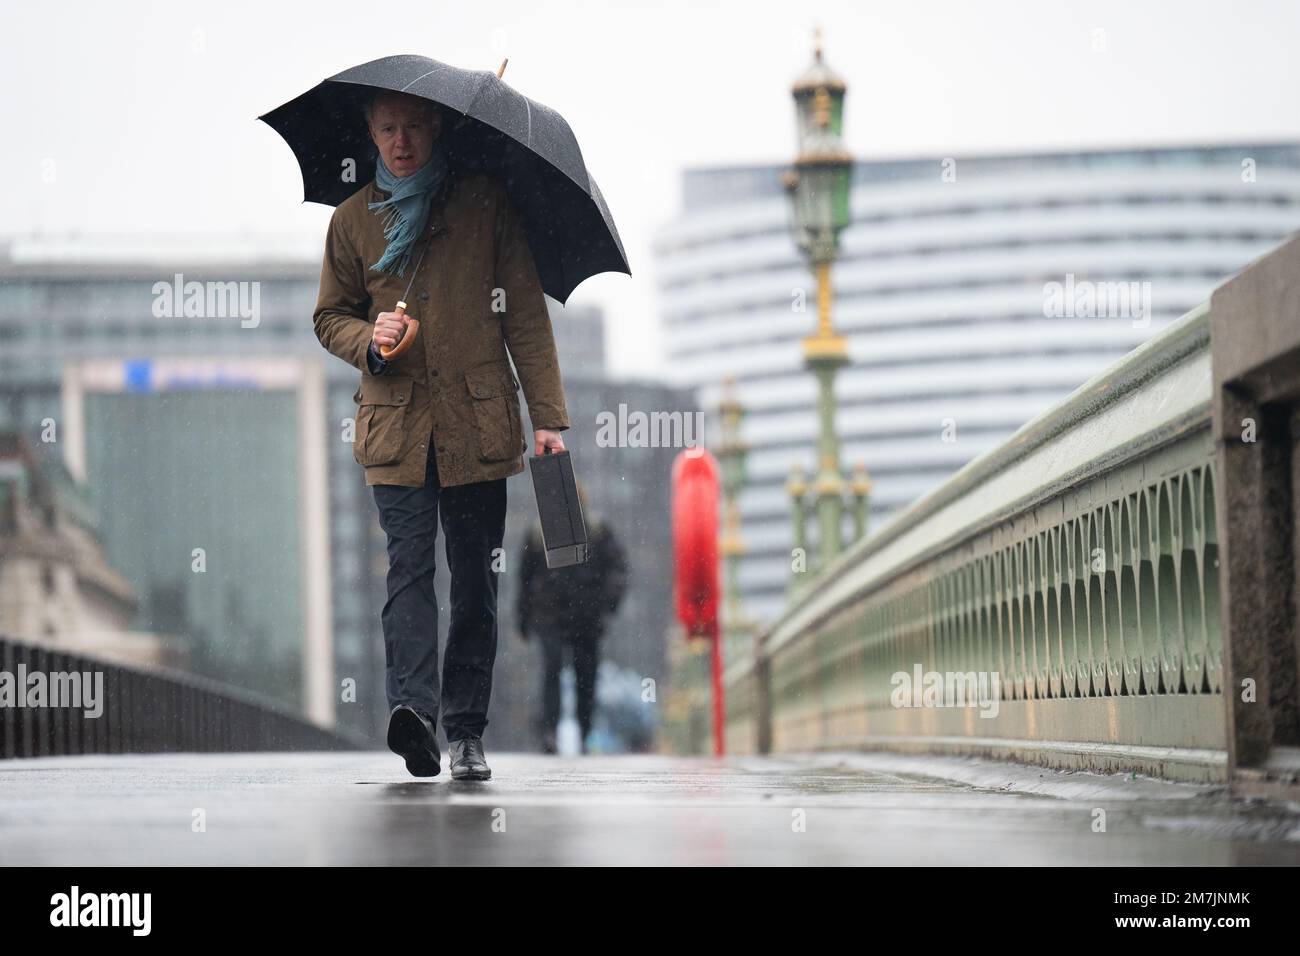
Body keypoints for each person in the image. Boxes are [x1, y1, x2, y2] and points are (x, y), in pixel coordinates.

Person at [313, 89, 570, 780]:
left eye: (415, 128)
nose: (402, 142)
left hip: (478, 428)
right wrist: (372, 338)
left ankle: (466, 731)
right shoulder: (352, 222)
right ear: (371, 133)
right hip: (395, 431)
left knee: (476, 585)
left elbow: (524, 317)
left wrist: (549, 419)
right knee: (409, 570)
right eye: (388, 128)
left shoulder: (485, 205)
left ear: (436, 130)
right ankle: (413, 715)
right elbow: (329, 316)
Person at [516, 482, 628, 754]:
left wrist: (523, 617)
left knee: (558, 673)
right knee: (580, 675)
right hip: (580, 615)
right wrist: (606, 604)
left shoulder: (538, 532)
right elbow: (618, 569)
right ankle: (579, 733)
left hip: (557, 614)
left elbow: (525, 580)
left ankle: (555, 732)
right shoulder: (596, 529)